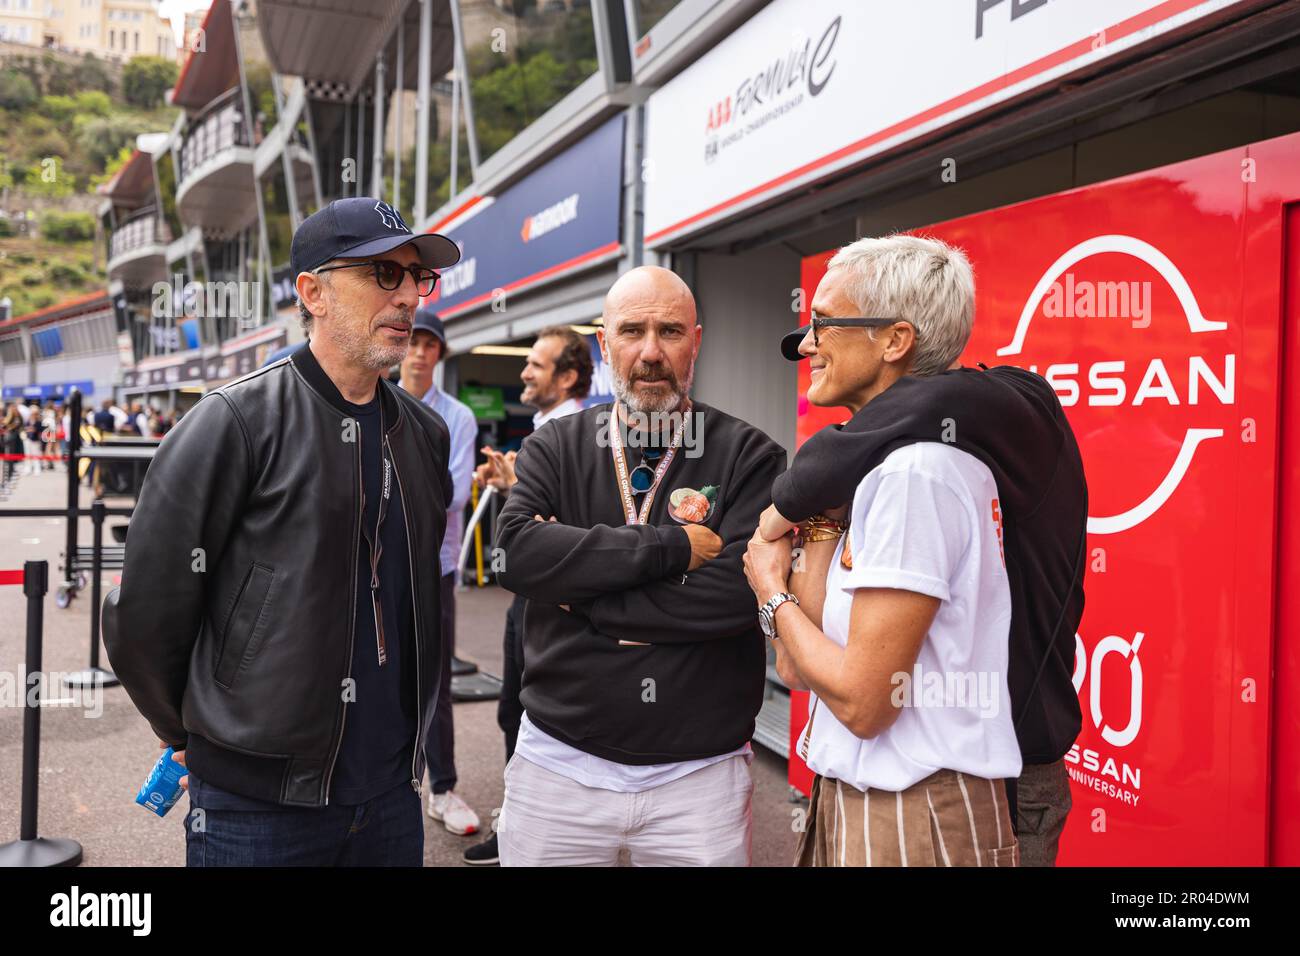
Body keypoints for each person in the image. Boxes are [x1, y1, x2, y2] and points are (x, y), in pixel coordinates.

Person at [103, 196, 461, 867]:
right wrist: (197, 734)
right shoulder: (232, 422)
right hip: (255, 807)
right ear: (313, 292)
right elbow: (144, 612)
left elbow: (416, 600)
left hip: (388, 794)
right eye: (384, 273)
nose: (410, 295)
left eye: (417, 277)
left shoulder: (426, 434)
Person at [747, 234, 1086, 866]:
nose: (808, 344)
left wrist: (770, 583)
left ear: (896, 340)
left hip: (946, 796)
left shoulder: (924, 466)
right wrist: (811, 521)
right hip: (860, 785)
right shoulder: (876, 462)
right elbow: (798, 668)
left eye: (824, 323)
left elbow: (863, 699)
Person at [493, 266, 786, 866]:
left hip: (699, 781)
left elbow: (736, 595)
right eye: (632, 331)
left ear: (696, 342)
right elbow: (516, 555)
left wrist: (586, 596)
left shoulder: (750, 455)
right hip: (558, 765)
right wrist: (670, 550)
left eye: (670, 332)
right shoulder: (554, 446)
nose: (651, 353)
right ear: (605, 344)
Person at [461, 324, 592, 866]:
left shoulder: (579, 435)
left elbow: (572, 526)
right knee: (514, 708)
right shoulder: (548, 430)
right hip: (531, 597)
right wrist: (510, 485)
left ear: (565, 377)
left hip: (555, 602)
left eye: (536, 365)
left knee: (531, 710)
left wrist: (517, 488)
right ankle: (521, 824)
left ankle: (536, 831)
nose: (523, 372)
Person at [398, 307, 481, 836]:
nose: (420, 351)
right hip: (374, 567)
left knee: (436, 681)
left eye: (430, 343)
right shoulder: (369, 402)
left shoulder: (458, 418)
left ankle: (443, 787)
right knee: (365, 676)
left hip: (436, 567)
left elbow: (449, 494)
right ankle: (377, 783)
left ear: (439, 354)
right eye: (414, 341)